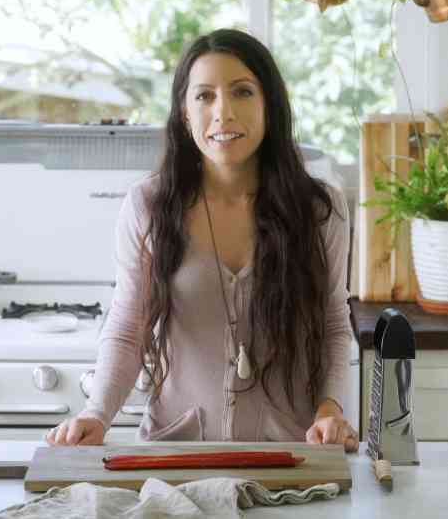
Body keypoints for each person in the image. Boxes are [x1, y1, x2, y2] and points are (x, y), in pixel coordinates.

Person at [48, 28, 357, 452]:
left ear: (270, 104)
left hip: (291, 454)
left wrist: (329, 409)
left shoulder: (321, 209)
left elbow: (333, 324)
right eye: (205, 96)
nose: (223, 112)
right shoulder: (148, 206)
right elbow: (128, 325)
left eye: (242, 92)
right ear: (184, 113)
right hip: (176, 455)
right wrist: (96, 413)